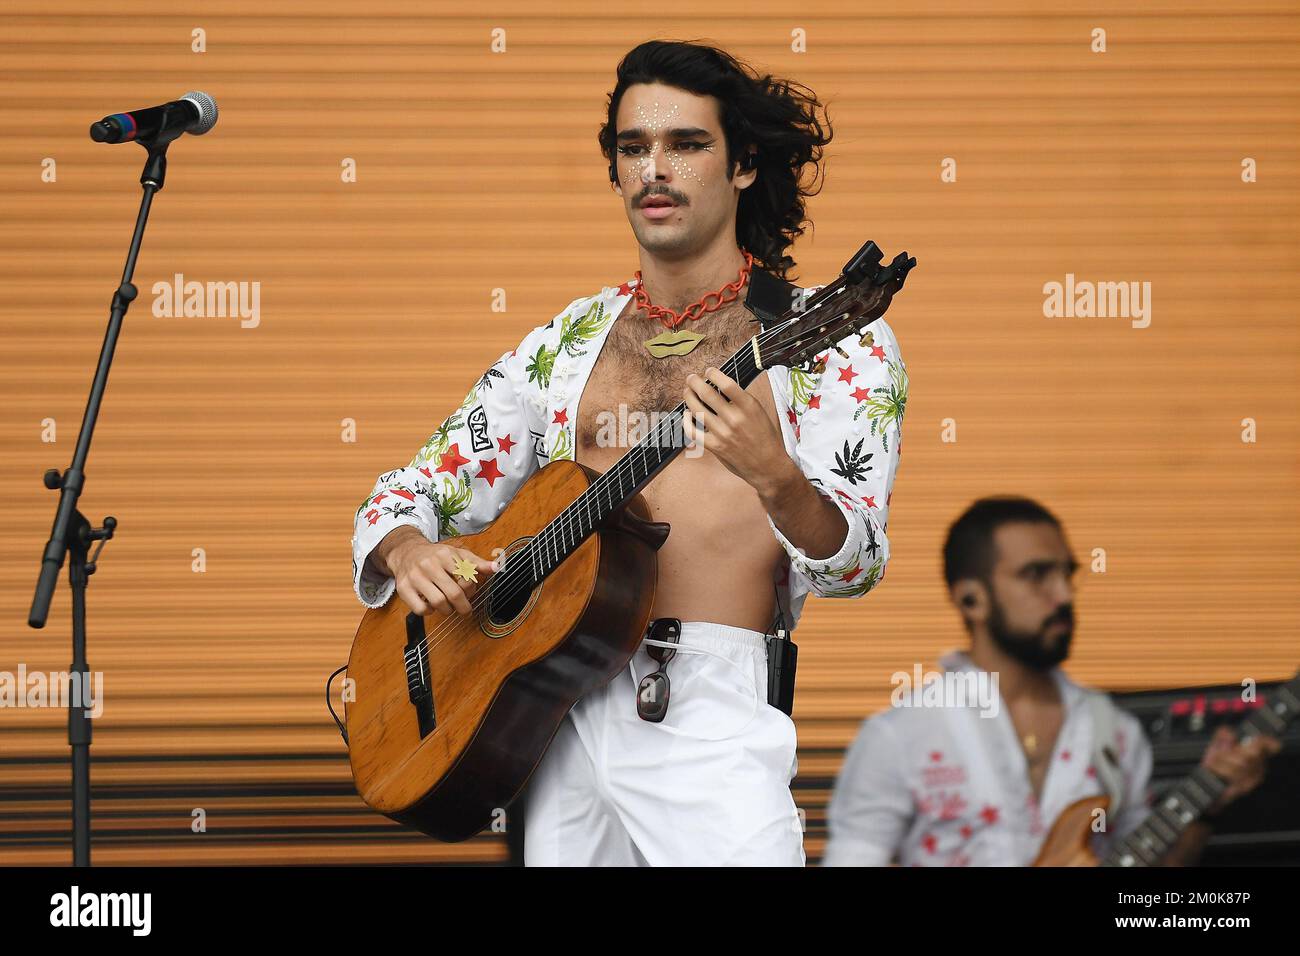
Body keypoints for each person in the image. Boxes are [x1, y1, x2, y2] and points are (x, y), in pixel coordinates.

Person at [349, 39, 908, 866]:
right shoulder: (567, 343)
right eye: (632, 147)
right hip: (555, 714)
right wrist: (408, 551)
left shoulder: (834, 345)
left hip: (709, 709)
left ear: (744, 164)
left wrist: (776, 477)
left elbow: (851, 568)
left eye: (686, 144)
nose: (655, 168)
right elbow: (405, 494)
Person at [824, 496, 1280, 866]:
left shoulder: (1114, 731)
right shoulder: (900, 736)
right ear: (971, 599)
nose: (1063, 595)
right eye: (1037, 575)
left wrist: (1207, 809)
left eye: (1068, 575)